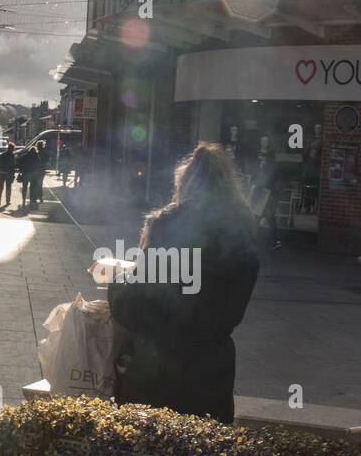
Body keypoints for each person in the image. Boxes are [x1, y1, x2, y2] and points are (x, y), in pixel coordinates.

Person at [108, 143, 260, 424]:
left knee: (153, 446)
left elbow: (135, 305)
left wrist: (118, 286)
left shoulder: (167, 225)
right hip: (212, 373)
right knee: (203, 446)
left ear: (186, 182)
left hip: (159, 371)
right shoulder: (243, 235)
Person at [15, 141, 39, 209]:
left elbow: (18, 159)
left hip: (25, 173)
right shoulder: (36, 156)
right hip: (33, 174)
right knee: (32, 188)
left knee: (24, 187)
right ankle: (31, 200)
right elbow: (38, 164)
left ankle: (23, 199)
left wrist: (21, 168)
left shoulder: (25, 155)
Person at [0, 140, 16, 207]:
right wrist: (13, 175)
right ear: (12, 149)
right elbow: (13, 166)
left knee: (0, 187)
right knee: (8, 187)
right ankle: (7, 201)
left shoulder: (3, 154)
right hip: (8, 173)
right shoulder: (12, 155)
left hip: (1, 173)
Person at [29, 139, 48, 207]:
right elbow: (47, 160)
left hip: (36, 170)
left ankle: (34, 197)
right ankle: (40, 197)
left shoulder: (37, 153)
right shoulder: (45, 152)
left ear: (37, 146)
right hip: (42, 170)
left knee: (34, 184)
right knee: (40, 184)